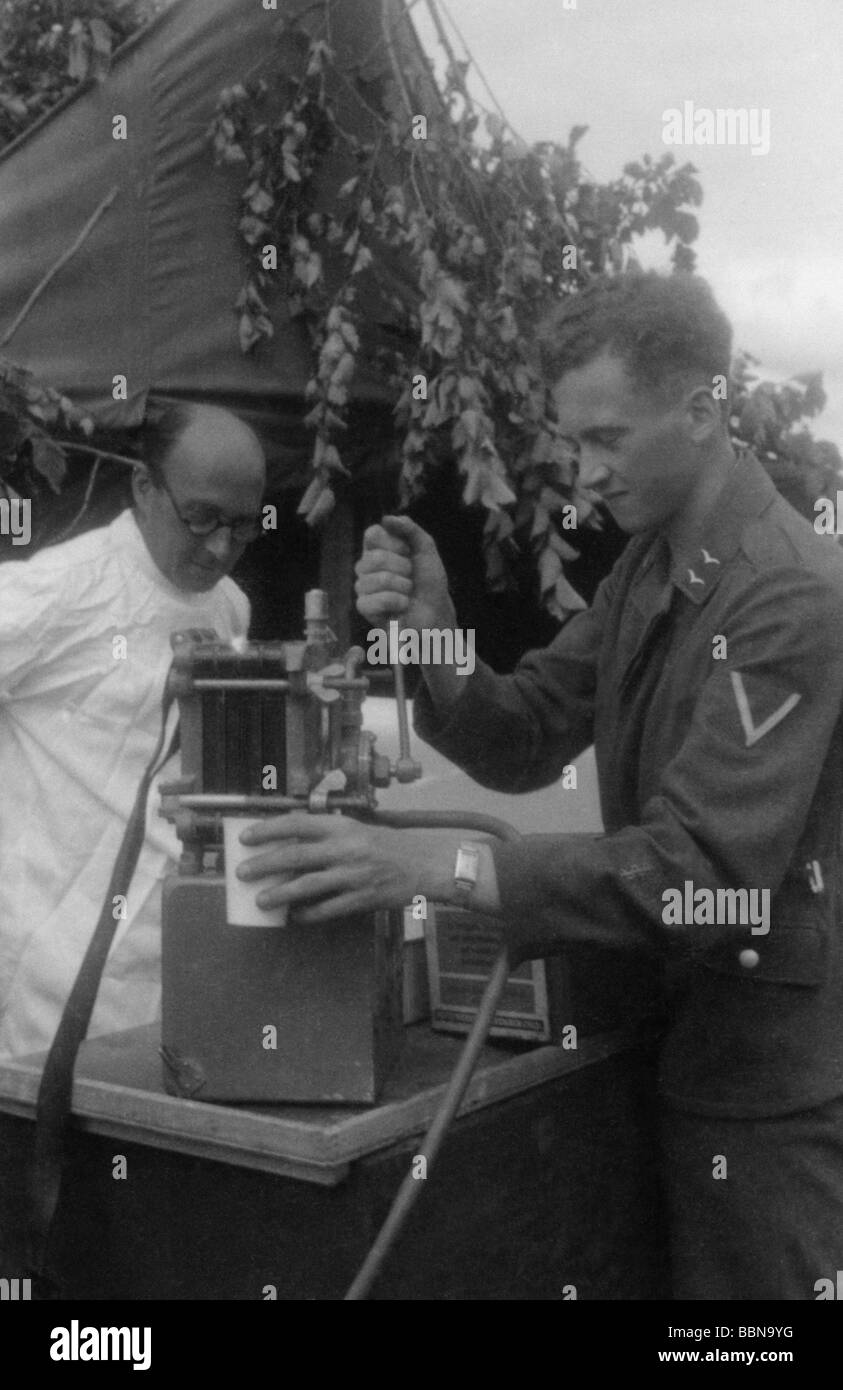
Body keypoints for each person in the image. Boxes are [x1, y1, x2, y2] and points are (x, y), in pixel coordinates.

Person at [237, 271, 843, 1300]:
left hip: (765, 1085)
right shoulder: (649, 566)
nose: (584, 471)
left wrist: (428, 864)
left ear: (703, 412)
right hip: (659, 1042)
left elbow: (698, 874)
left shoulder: (789, 590)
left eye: (607, 438)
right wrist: (432, 627)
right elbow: (521, 735)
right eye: (574, 441)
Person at [0, 401, 265, 1057]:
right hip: (41, 982)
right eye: (199, 517)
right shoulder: (65, 589)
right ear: (145, 488)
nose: (219, 546)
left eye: (241, 525)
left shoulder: (231, 608)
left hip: (170, 962)